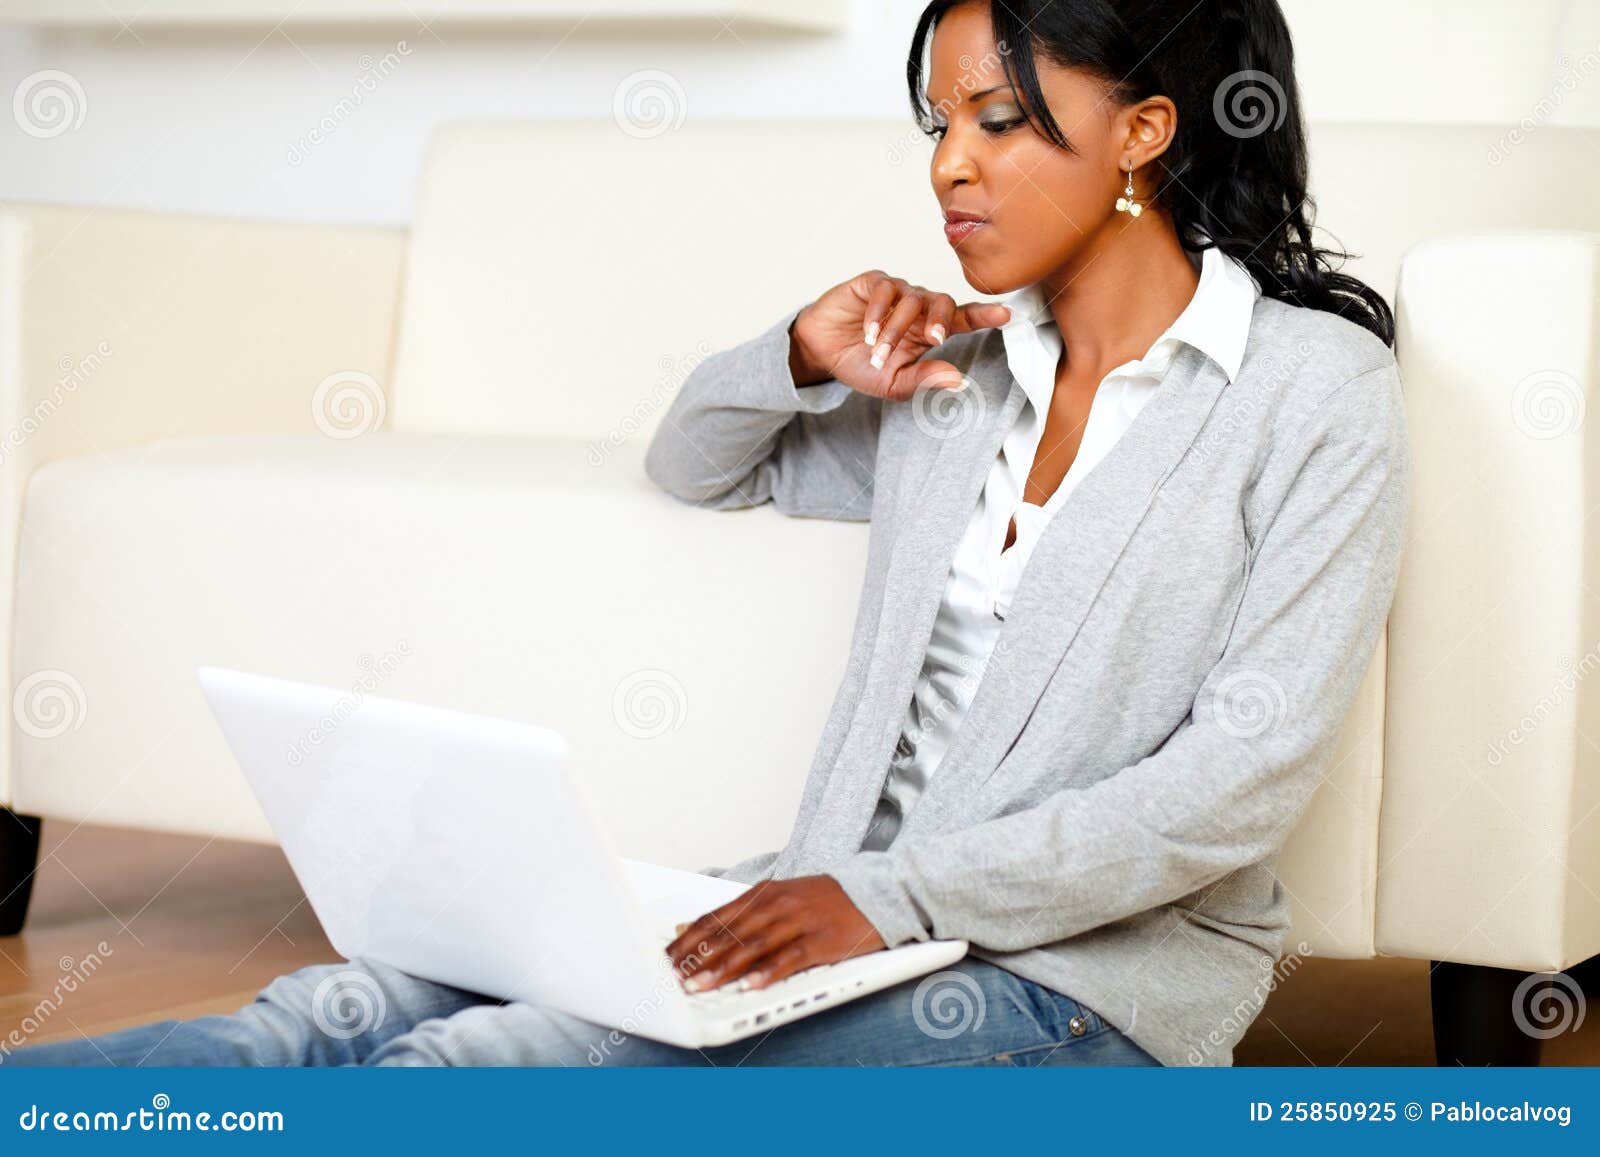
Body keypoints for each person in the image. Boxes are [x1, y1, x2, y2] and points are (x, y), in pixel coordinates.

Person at [7, 0, 1406, 1068]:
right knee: (319, 1011)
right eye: (937, 125)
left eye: (998, 120)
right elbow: (697, 463)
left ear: (1144, 134)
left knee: (482, 1063)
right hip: (820, 913)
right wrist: (800, 349)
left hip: (1073, 988)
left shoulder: (1311, 393)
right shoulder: (960, 377)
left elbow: (1240, 779)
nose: (949, 170)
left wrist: (889, 898)